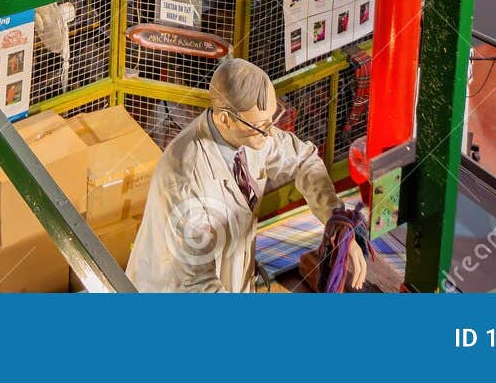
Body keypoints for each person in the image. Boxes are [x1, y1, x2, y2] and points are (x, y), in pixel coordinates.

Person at [127, 57, 365, 292]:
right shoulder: (186, 179)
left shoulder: (250, 135)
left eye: (273, 118)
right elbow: (196, 283)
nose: (271, 132)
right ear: (225, 119)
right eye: (262, 124)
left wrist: (337, 223)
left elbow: (303, 160)